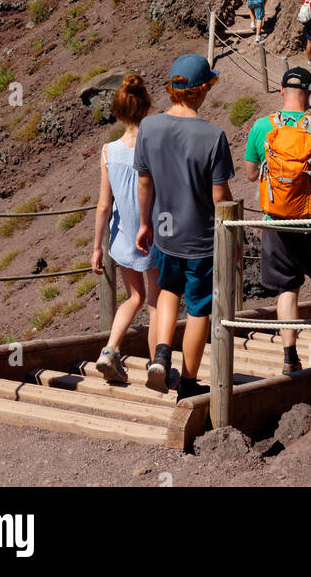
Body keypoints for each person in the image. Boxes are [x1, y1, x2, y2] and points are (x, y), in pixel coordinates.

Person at [135, 54, 234, 397]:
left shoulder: (148, 127)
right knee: (199, 309)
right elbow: (220, 196)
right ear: (204, 89)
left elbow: (144, 183)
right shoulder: (213, 136)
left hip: (163, 234)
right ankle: (188, 386)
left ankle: (160, 355)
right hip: (202, 240)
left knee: (167, 292)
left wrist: (144, 224)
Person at [244, 67, 311, 374]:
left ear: (281, 92)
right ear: (310, 94)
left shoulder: (262, 127)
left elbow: (251, 173)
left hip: (277, 220)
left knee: (287, 289)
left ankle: (290, 357)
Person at [92, 73, 160, 383]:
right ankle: (156, 366)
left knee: (133, 297)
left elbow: (104, 205)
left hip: (121, 238)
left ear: (118, 113)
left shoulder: (108, 151)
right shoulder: (155, 148)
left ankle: (109, 350)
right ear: (147, 108)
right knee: (156, 302)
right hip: (153, 234)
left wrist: (96, 246)